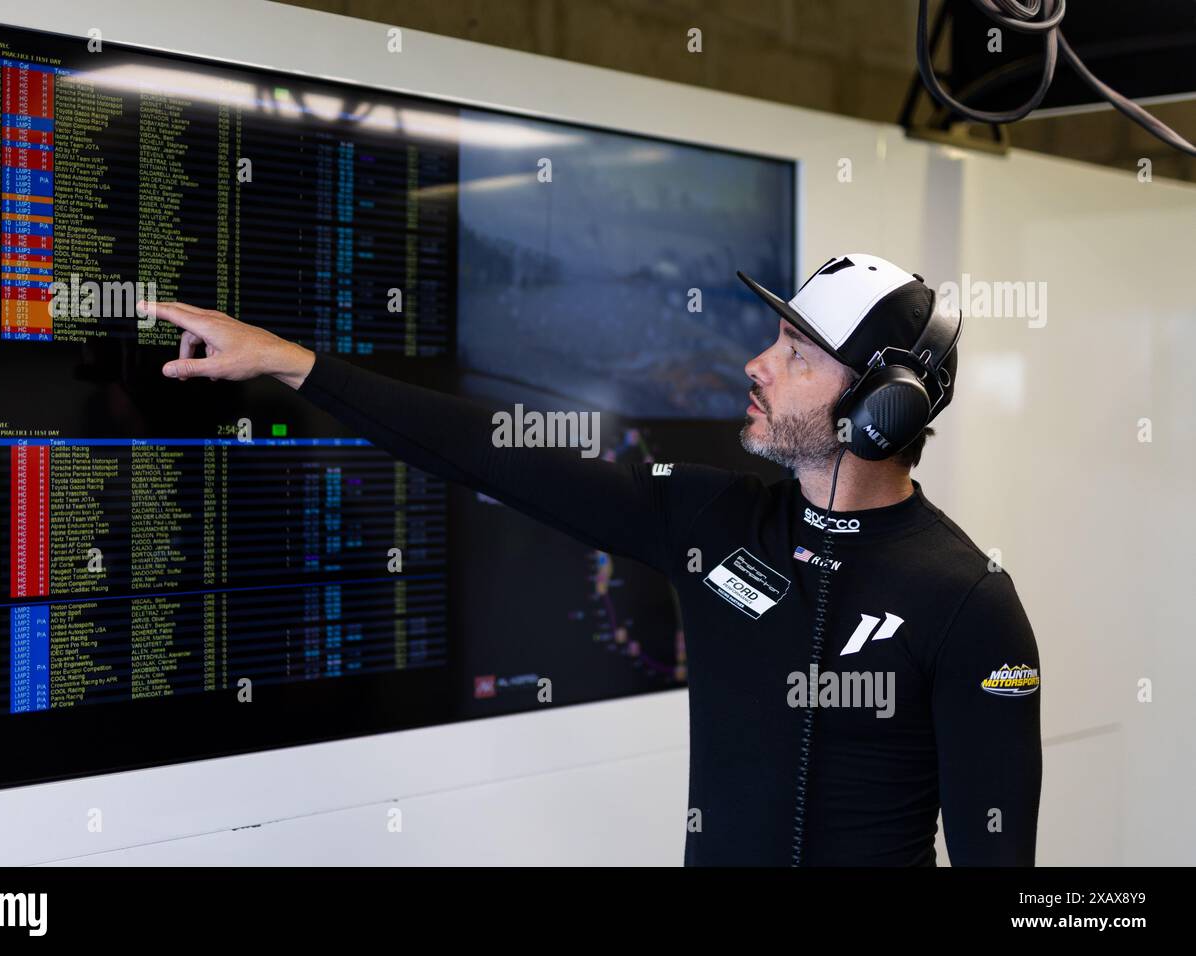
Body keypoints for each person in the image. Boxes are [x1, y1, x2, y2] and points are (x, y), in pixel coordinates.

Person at [138, 252, 1042, 866]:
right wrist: (291, 363)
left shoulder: (967, 601)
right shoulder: (709, 517)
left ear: (884, 407)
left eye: (796, 354)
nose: (757, 366)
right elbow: (493, 449)